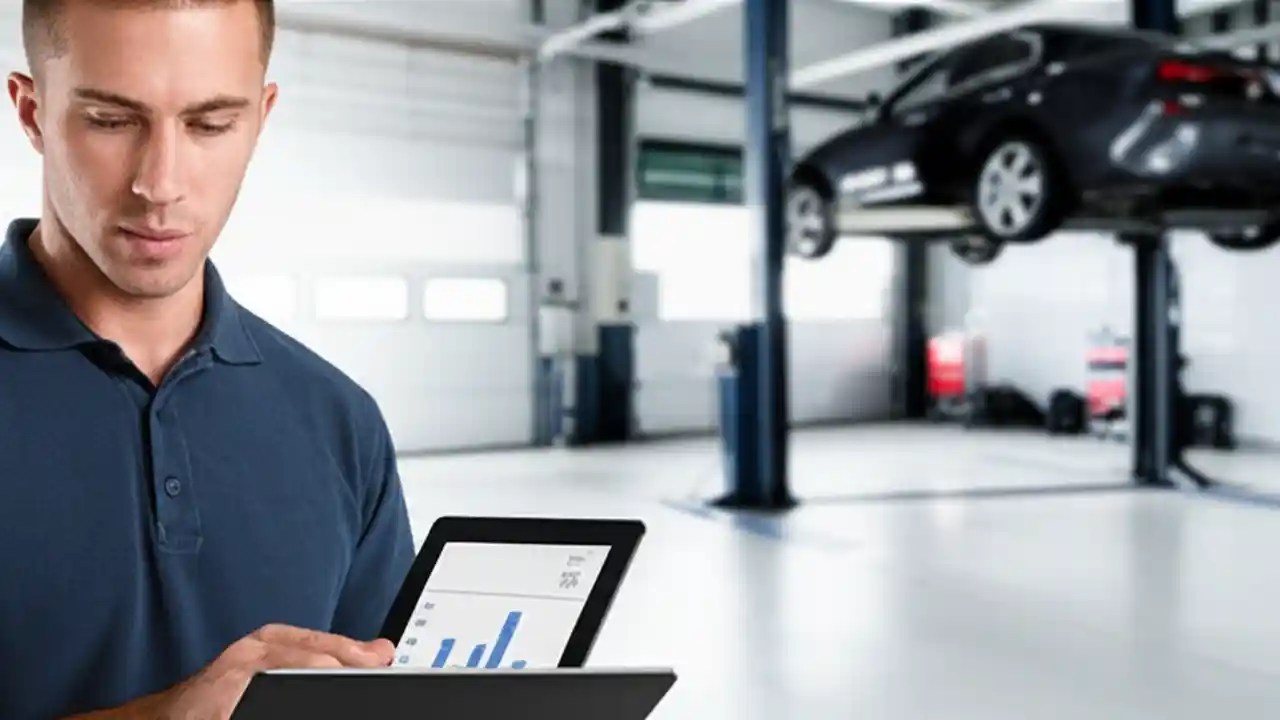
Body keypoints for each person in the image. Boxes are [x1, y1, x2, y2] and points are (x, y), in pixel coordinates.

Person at [0, 1, 416, 718]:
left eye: (210, 125)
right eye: (111, 121)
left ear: (261, 118)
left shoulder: (339, 420)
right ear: (32, 113)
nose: (160, 184)